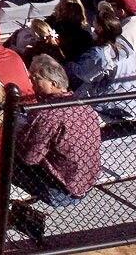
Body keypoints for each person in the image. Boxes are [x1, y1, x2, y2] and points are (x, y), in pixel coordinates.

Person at [15, 55, 102, 207]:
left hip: (62, 192)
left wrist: (18, 135)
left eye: (35, 78)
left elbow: (30, 158)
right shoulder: (85, 108)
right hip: (85, 182)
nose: (32, 82)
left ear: (53, 84)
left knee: (10, 159)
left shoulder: (47, 115)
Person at [67, 1, 136, 119]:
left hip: (114, 104)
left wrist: (68, 64)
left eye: (95, 22)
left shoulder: (101, 54)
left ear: (100, 28)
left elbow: (85, 75)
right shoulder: (125, 45)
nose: (92, 24)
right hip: (134, 100)